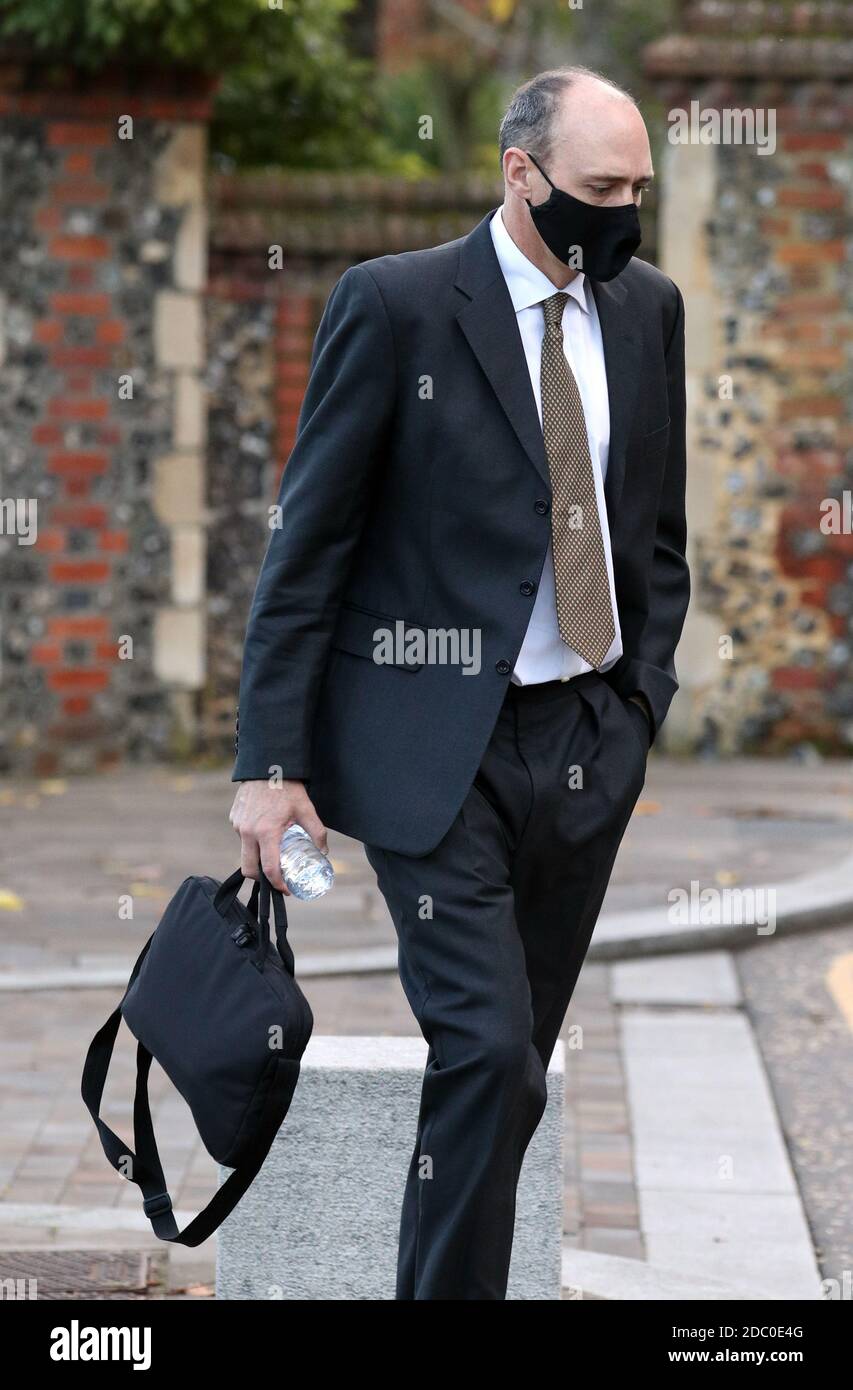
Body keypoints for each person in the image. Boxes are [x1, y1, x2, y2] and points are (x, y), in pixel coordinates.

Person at [230, 66, 690, 1300]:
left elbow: (655, 538)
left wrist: (640, 702)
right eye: (600, 187)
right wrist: (270, 768)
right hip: (436, 752)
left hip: (588, 743)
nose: (622, 210)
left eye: (638, 187)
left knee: (507, 1078)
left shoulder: (647, 310)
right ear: (518, 174)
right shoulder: (396, 306)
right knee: (487, 1055)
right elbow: (308, 542)